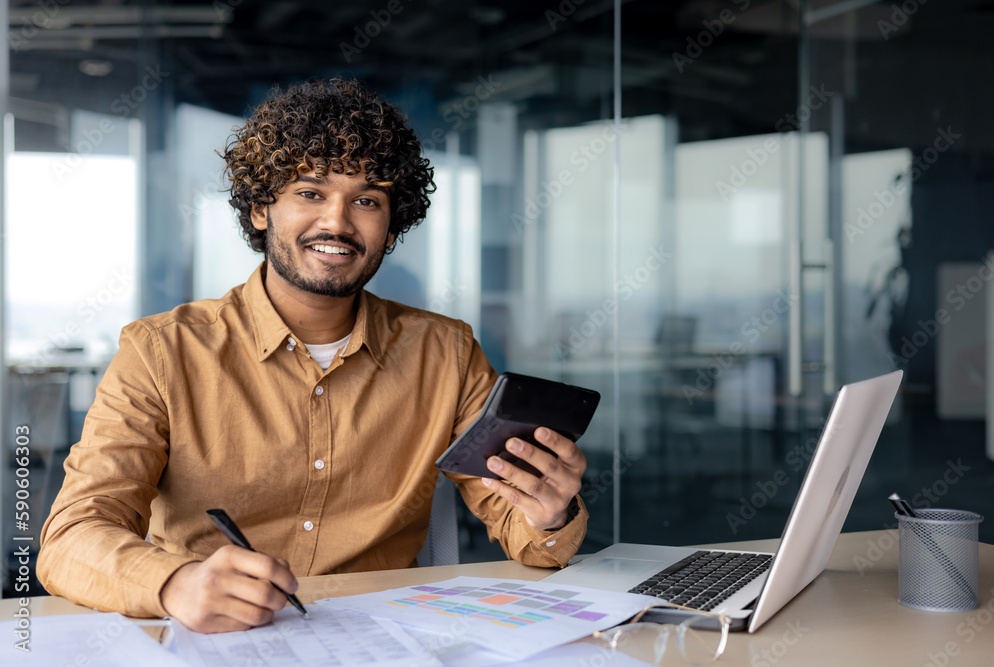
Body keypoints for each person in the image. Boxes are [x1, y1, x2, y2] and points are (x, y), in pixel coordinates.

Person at [38, 78, 588, 634]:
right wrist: (176, 584)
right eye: (310, 193)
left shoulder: (446, 352)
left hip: (384, 641)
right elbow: (71, 537)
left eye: (366, 201)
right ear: (261, 209)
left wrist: (550, 512)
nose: (337, 223)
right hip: (212, 638)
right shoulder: (161, 351)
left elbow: (526, 533)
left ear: (391, 228)